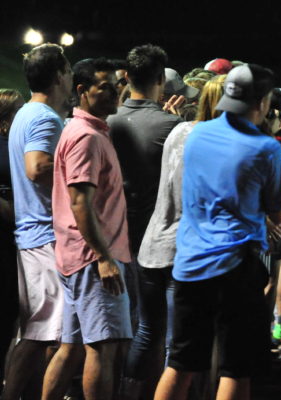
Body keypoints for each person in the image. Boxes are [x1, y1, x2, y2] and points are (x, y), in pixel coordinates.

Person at [153, 64, 281, 400]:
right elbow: (278, 212)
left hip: (189, 261)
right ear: (261, 102)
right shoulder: (265, 147)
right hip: (235, 266)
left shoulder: (196, 133)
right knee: (236, 366)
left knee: (181, 363)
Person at [41, 57, 133, 400]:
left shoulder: (86, 131)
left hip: (80, 257)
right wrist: (104, 257)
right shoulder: (86, 137)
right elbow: (81, 202)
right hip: (93, 260)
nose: (115, 93)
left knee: (72, 348)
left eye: (117, 85)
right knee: (102, 348)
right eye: (105, 87)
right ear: (82, 91)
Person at [108, 43, 184, 398]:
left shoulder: (106, 122)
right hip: (158, 241)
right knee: (165, 330)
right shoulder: (172, 126)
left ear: (126, 76)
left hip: (111, 237)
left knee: (133, 330)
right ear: (160, 80)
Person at [2, 43, 72, 400]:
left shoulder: (27, 113)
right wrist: (79, 174)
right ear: (60, 74)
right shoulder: (44, 117)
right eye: (69, 69)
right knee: (47, 335)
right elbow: (36, 167)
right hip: (44, 236)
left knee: (35, 332)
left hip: (34, 234)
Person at [0, 88, 24, 400]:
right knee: (1, 319)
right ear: (9, 117)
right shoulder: (9, 150)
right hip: (2, 243)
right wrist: (3, 206)